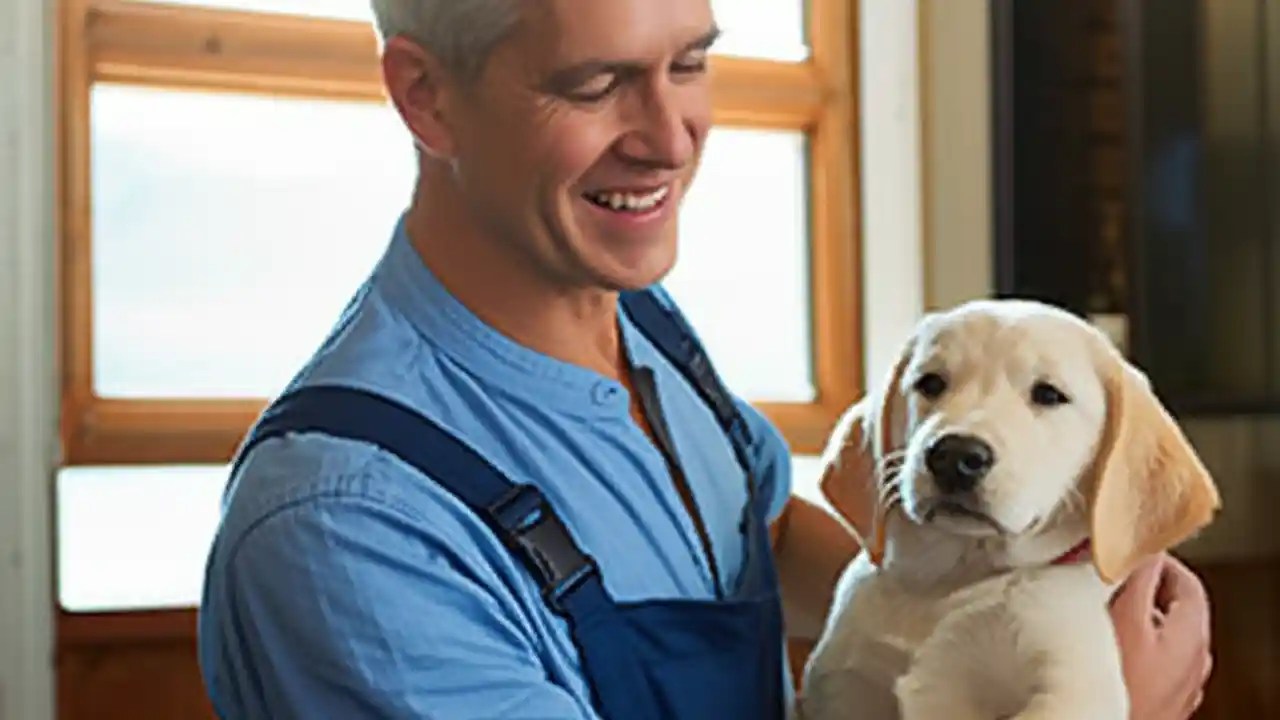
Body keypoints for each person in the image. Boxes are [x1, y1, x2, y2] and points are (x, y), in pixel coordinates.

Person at [196, 1, 1214, 718]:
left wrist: (1047, 625)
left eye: (688, 63)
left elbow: (749, 541)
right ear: (426, 97)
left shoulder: (641, 325)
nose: (671, 139)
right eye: (594, 83)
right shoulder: (349, 528)